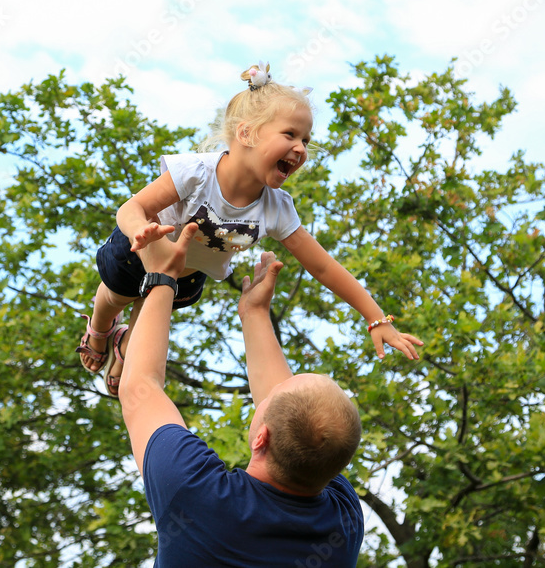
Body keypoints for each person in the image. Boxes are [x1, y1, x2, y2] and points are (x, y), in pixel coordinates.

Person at [78, 61, 422, 396]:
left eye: (305, 139)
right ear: (246, 133)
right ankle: (100, 329)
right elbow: (133, 207)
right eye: (290, 134)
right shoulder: (196, 173)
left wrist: (377, 318)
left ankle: (125, 348)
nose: (301, 148)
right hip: (138, 253)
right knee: (115, 297)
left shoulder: (276, 207)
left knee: (149, 321)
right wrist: (140, 228)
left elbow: (323, 266)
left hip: (186, 276)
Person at [120, 222, 365, 566]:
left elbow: (139, 389)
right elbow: (294, 425)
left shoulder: (196, 494)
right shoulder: (343, 525)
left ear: (261, 437)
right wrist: (255, 315)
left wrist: (162, 278)